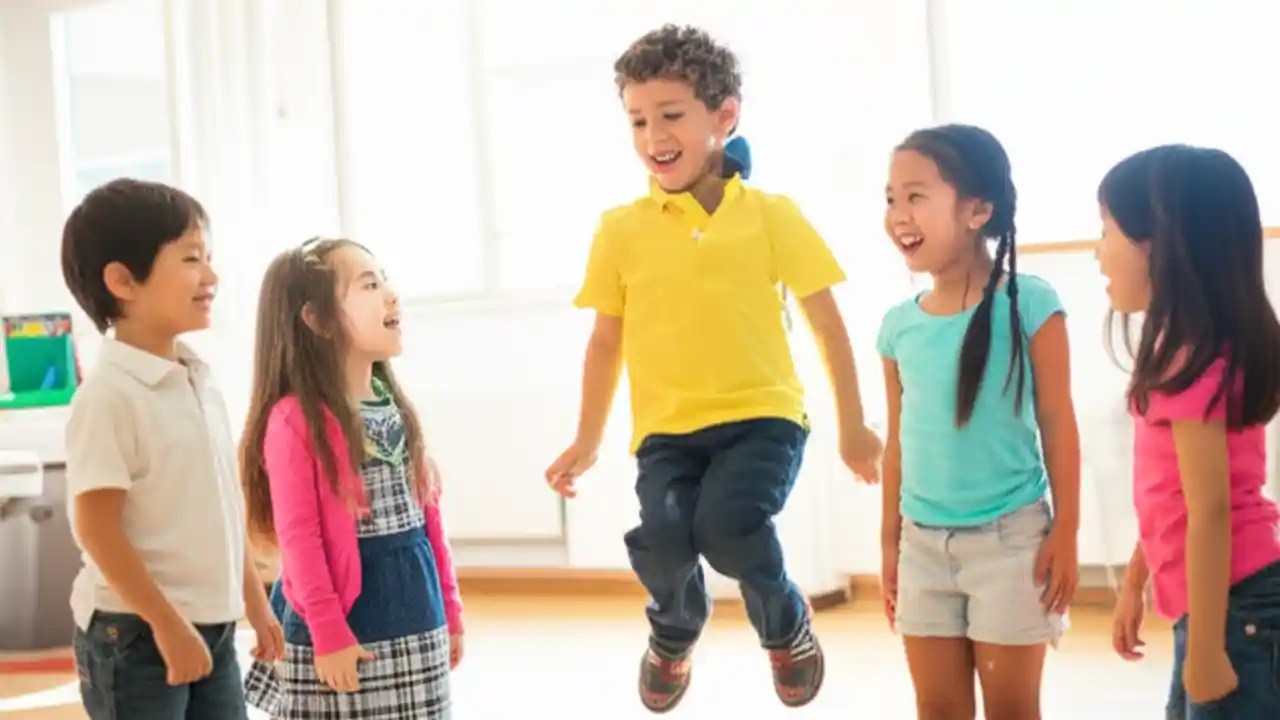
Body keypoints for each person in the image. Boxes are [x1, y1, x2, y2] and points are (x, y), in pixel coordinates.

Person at [543, 24, 882, 713]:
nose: (652, 135)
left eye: (670, 115)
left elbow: (828, 325)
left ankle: (785, 628)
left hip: (764, 420)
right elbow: (605, 342)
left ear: (724, 115)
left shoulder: (771, 216)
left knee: (728, 528)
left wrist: (853, 426)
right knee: (665, 541)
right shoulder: (620, 229)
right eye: (638, 119)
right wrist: (586, 438)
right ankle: (673, 635)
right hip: (667, 432)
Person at [877, 125, 1081, 719]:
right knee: (937, 708)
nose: (897, 215)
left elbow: (1058, 424)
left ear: (978, 210)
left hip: (1012, 544)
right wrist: (889, 543)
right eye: (890, 198)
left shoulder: (1033, 304)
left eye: (916, 196)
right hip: (922, 548)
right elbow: (897, 446)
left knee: (1013, 709)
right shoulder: (897, 326)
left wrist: (1065, 531)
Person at [59, 178, 283, 719]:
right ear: (122, 280)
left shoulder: (197, 380)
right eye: (190, 258)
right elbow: (97, 528)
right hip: (135, 634)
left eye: (208, 257)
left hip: (209, 623)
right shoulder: (108, 395)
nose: (211, 276)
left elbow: (223, 507)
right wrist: (165, 622)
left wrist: (256, 600)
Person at [239, 238, 464, 719]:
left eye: (385, 279)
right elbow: (300, 540)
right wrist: (328, 632)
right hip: (342, 626)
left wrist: (451, 612)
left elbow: (431, 530)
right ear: (317, 320)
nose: (391, 294)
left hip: (417, 614)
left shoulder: (396, 409)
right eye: (369, 284)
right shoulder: (294, 420)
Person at [1099, 145, 1280, 719]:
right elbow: (1171, 498)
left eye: (1106, 232)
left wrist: (1204, 650)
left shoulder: (1188, 357)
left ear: (1159, 244)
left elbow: (1209, 513)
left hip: (1234, 611)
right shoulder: (1183, 347)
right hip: (1222, 607)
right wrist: (1135, 578)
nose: (1098, 254)